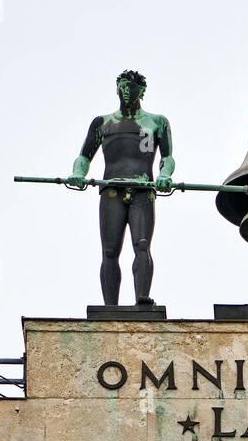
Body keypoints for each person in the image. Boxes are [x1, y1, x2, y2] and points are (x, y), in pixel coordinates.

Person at [68, 69, 175, 306]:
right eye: (123, 86)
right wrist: (78, 174)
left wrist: (165, 175)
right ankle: (110, 307)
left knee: (142, 244)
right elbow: (84, 156)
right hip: (112, 190)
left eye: (132, 87)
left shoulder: (157, 122)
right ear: (117, 88)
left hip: (142, 191)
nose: (127, 91)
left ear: (142, 91)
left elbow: (167, 158)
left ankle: (142, 298)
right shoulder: (103, 123)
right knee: (109, 250)